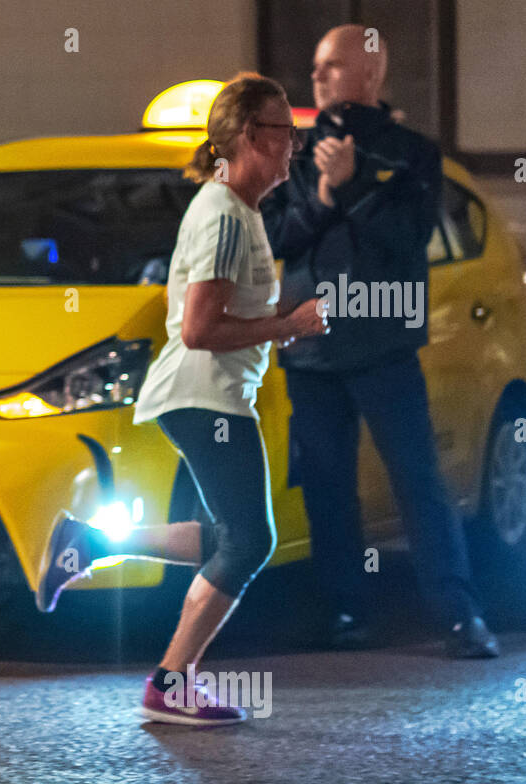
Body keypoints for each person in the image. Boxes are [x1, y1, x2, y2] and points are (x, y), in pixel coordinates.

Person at [36, 73, 329, 725]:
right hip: (207, 395)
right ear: (253, 136)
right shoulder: (225, 213)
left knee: (226, 535)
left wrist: (284, 318)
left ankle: (86, 544)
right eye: (286, 131)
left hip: (205, 393)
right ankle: (171, 682)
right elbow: (199, 330)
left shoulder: (235, 209)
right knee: (251, 542)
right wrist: (290, 325)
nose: (296, 144)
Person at [260, 24, 499, 658]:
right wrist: (326, 192)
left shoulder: (412, 153)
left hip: (383, 343)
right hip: (311, 348)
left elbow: (410, 235)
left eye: (332, 66)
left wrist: (361, 178)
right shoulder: (296, 151)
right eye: (315, 66)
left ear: (370, 75)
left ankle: (459, 616)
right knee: (327, 488)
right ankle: (345, 613)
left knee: (418, 480)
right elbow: (279, 238)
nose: (317, 76)